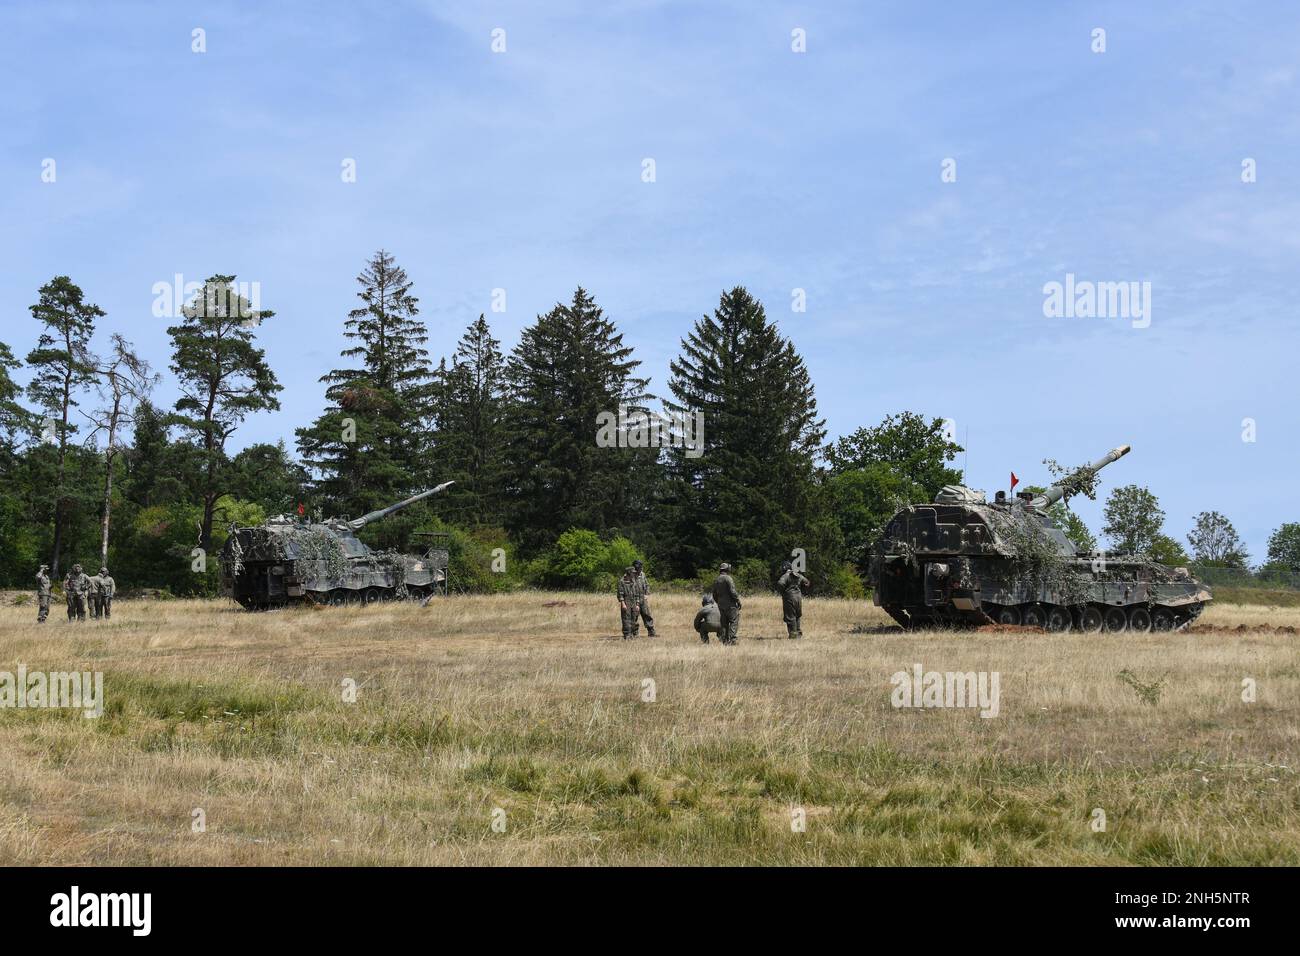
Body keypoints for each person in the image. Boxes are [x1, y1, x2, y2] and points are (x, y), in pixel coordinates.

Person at [776, 560, 811, 639]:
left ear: (784, 568)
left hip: (789, 598)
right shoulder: (798, 575)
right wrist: (801, 588)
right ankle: (798, 633)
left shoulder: (785, 576)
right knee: (797, 616)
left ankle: (793, 635)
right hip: (798, 598)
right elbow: (807, 582)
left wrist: (783, 592)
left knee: (790, 617)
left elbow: (780, 584)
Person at [710, 563, 741, 644]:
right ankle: (732, 639)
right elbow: (733, 591)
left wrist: (718, 602)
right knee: (734, 620)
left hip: (721, 604)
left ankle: (724, 640)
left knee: (724, 623)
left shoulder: (717, 579)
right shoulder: (728, 578)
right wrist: (738, 600)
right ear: (727, 569)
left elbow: (714, 594)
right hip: (730, 604)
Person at [631, 559, 656, 637]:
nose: (639, 569)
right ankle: (635, 633)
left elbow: (647, 585)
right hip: (634, 599)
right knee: (634, 616)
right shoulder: (631, 575)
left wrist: (646, 594)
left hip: (643, 598)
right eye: (637, 568)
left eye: (640, 567)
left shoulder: (643, 574)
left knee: (647, 615)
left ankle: (651, 631)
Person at [617, 566, 641, 639]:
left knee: (634, 617)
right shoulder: (622, 581)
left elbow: (637, 593)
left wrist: (637, 604)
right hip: (626, 601)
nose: (634, 574)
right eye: (633, 573)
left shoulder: (633, 581)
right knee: (626, 618)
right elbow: (620, 594)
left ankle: (634, 634)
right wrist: (623, 604)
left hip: (633, 601)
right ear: (629, 573)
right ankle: (627, 634)